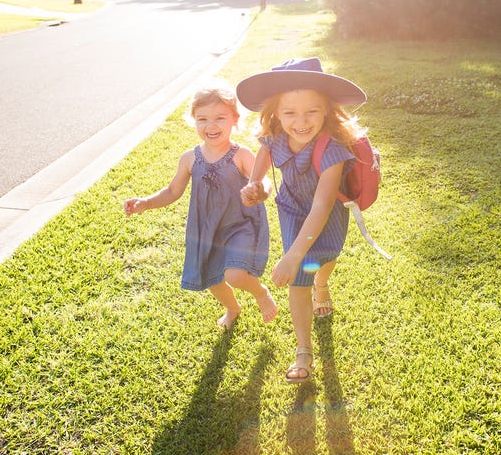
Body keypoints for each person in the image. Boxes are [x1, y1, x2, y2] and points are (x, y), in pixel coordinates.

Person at [237, 58, 367, 383]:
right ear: (276, 114)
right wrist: (256, 186)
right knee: (298, 281)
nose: (301, 121)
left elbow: (322, 205)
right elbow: (264, 159)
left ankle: (322, 283)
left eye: (311, 111)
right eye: (290, 113)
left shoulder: (333, 149)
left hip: (326, 216)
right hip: (293, 212)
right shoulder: (275, 136)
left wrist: (292, 256)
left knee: (326, 257)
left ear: (327, 110)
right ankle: (304, 350)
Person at [124, 81, 278, 330]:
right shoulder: (190, 158)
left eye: (220, 118)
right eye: (203, 119)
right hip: (207, 230)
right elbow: (173, 190)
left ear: (234, 120)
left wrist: (260, 190)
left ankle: (261, 293)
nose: (211, 125)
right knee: (213, 279)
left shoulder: (241, 154)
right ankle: (232, 308)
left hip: (240, 226)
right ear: (193, 120)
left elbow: (263, 179)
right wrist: (146, 203)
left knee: (234, 274)